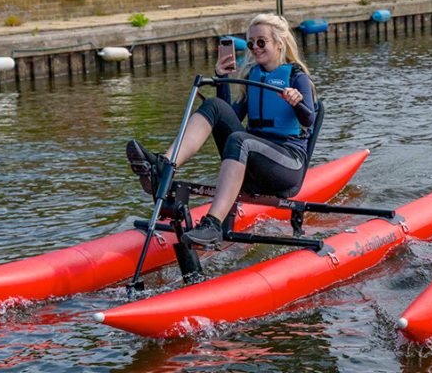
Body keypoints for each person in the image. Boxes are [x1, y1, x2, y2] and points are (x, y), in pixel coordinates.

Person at [127, 13, 317, 247]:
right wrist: (221, 79)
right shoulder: (252, 76)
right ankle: (164, 165)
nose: (255, 48)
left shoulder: (298, 78)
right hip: (251, 164)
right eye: (250, 43)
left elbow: (309, 121)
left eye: (261, 42)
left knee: (240, 141)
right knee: (213, 106)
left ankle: (213, 224)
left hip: (287, 165)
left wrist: (297, 101)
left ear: (279, 43)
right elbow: (228, 116)